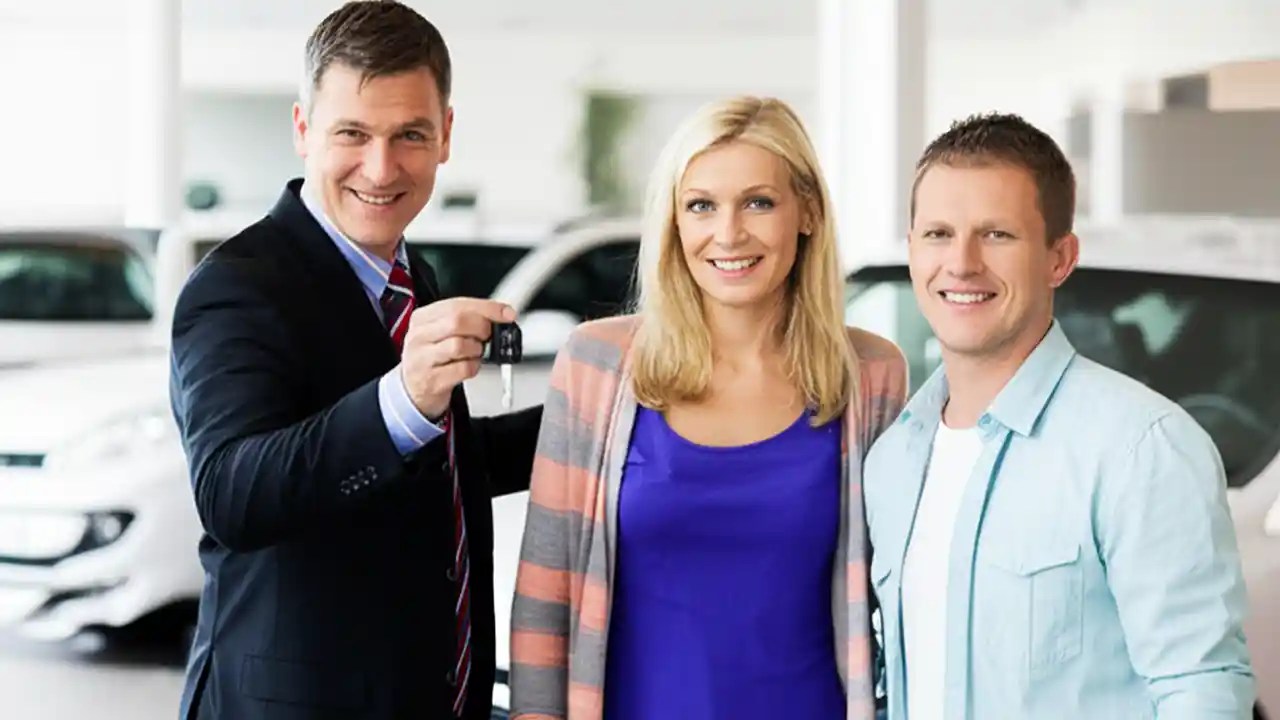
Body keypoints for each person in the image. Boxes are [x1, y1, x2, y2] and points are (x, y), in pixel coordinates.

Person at [168, 3, 541, 718]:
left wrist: (597, 417)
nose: (382, 167)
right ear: (304, 130)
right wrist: (401, 398)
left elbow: (439, 460)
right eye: (352, 134)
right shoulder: (236, 285)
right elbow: (232, 495)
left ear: (446, 136)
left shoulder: (407, 274)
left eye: (410, 135)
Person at [508, 96, 908, 720]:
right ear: (674, 222)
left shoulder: (871, 377)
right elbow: (544, 598)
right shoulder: (596, 364)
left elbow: (901, 598)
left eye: (758, 202)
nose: (729, 233)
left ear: (806, 212)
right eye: (701, 205)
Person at [863, 112, 1255, 719]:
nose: (961, 262)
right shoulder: (893, 457)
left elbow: (1200, 689)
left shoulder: (1140, 448)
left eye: (996, 234)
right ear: (912, 249)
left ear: (1059, 258)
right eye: (938, 233)